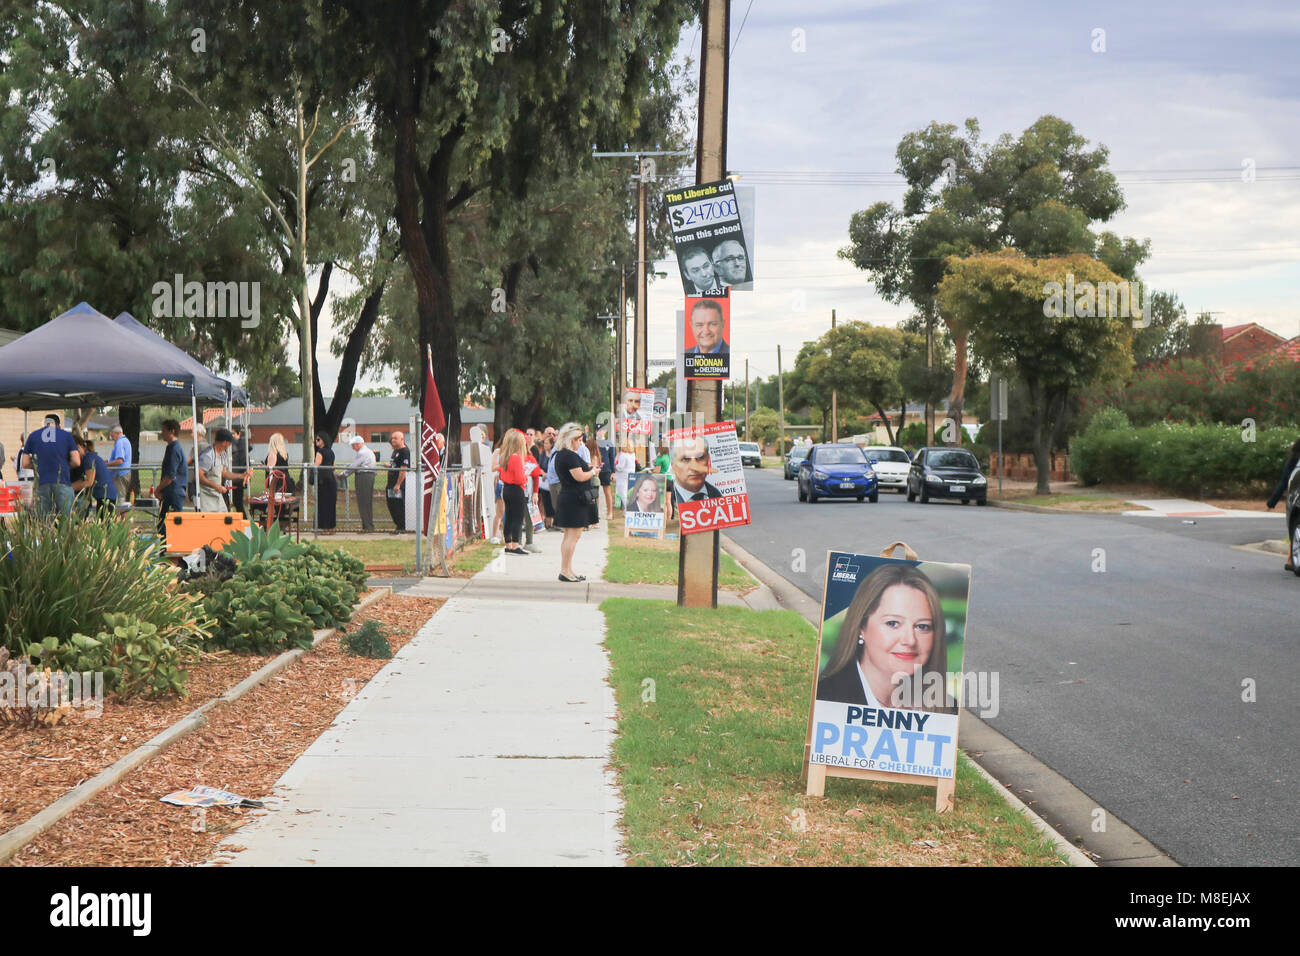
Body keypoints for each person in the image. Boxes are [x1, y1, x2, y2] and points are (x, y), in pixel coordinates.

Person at [816, 563, 955, 712]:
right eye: (893, 623)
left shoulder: (948, 709)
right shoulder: (826, 700)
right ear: (861, 627)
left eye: (922, 626)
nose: (910, 640)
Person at [552, 422, 599, 582]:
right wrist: (592, 471)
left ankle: (568, 569)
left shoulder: (562, 454)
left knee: (570, 536)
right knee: (572, 536)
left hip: (570, 497)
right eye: (578, 440)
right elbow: (579, 476)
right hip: (573, 499)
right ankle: (565, 570)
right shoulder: (569, 455)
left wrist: (589, 468)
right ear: (571, 439)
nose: (581, 443)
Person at [21, 413, 81, 518]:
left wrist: (39, 465)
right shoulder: (67, 436)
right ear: (58, 424)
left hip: (41, 483)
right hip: (62, 482)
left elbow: (25, 463)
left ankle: (45, 534)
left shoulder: (33, 436)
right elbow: (76, 461)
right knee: (65, 519)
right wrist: (65, 466)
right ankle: (63, 534)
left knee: (43, 520)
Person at [1266, 436, 1300, 570]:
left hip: (1294, 496)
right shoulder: (1295, 462)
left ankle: (1290, 559)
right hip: (1296, 494)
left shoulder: (1293, 461)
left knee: (1296, 525)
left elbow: (1283, 482)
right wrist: (1272, 502)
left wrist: (1271, 502)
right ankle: (1290, 559)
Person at [150, 418, 187, 535]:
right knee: (163, 525)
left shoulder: (174, 449)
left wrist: (158, 489)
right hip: (171, 492)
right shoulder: (171, 448)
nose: (162, 433)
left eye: (164, 430)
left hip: (174, 493)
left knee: (167, 527)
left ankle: (168, 551)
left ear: (172, 431)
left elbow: (170, 476)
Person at [197, 428, 247, 512]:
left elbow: (224, 473)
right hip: (205, 497)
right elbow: (199, 476)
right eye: (230, 443)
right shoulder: (208, 456)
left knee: (224, 518)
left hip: (217, 495)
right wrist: (215, 486)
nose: (230, 445)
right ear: (224, 442)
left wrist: (241, 476)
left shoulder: (223, 454)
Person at [498, 428, 530, 556]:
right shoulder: (516, 458)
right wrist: (526, 478)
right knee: (518, 517)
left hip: (506, 488)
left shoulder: (505, 457)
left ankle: (508, 544)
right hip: (516, 489)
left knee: (509, 516)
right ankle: (516, 545)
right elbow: (520, 478)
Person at [339, 434, 377, 531]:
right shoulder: (368, 451)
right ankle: (368, 525)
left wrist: (343, 474)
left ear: (358, 444)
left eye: (353, 445)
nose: (353, 447)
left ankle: (367, 526)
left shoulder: (362, 453)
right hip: (369, 476)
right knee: (367, 501)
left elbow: (354, 466)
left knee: (363, 501)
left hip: (363, 476)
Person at [71, 436, 117, 517]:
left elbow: (89, 481)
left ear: (80, 447)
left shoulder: (88, 459)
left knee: (104, 524)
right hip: (104, 495)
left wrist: (69, 488)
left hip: (106, 496)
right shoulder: (89, 457)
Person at [671, 436, 723, 502]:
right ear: (673, 465)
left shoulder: (718, 495)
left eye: (700, 458)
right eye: (685, 459)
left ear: (708, 460)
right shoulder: (666, 502)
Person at [384, 431, 411, 533]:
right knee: (391, 505)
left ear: (402, 439)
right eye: (392, 438)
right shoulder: (395, 451)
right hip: (390, 483)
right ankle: (398, 526)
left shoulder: (405, 451)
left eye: (396, 438)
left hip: (397, 485)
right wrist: (389, 466)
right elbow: (395, 464)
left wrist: (398, 484)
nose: (393, 440)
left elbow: (403, 469)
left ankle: (402, 527)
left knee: (398, 506)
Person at [312, 430, 338, 530]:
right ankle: (330, 527)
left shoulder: (320, 452)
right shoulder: (331, 452)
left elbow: (316, 465)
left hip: (323, 481)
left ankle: (324, 526)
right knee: (331, 504)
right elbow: (334, 466)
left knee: (323, 504)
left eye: (318, 439)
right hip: (331, 480)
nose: (316, 441)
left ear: (323, 441)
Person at [105, 425, 133, 502]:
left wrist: (107, 465)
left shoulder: (119, 442)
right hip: (125, 473)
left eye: (112, 435)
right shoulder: (126, 441)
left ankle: (120, 513)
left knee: (120, 499)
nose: (112, 438)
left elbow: (120, 460)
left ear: (117, 433)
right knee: (122, 497)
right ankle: (122, 512)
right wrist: (109, 461)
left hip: (119, 475)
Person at [596, 426, 615, 519]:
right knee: (595, 492)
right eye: (598, 430)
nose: (600, 432)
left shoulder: (609, 443)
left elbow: (612, 457)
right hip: (595, 470)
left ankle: (610, 513)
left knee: (607, 491)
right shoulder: (594, 443)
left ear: (605, 431)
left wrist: (613, 472)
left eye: (602, 430)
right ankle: (596, 513)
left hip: (606, 470)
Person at [229, 424, 248, 513]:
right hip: (231, 477)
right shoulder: (231, 445)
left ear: (238, 434)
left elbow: (242, 462)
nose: (232, 437)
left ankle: (244, 522)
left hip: (237, 479)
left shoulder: (241, 446)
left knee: (238, 503)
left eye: (233, 434)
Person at [613, 443, 636, 508]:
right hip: (630, 474)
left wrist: (615, 467)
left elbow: (620, 467)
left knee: (622, 493)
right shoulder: (633, 454)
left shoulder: (623, 455)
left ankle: (627, 509)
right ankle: (626, 510)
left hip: (622, 476)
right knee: (627, 492)